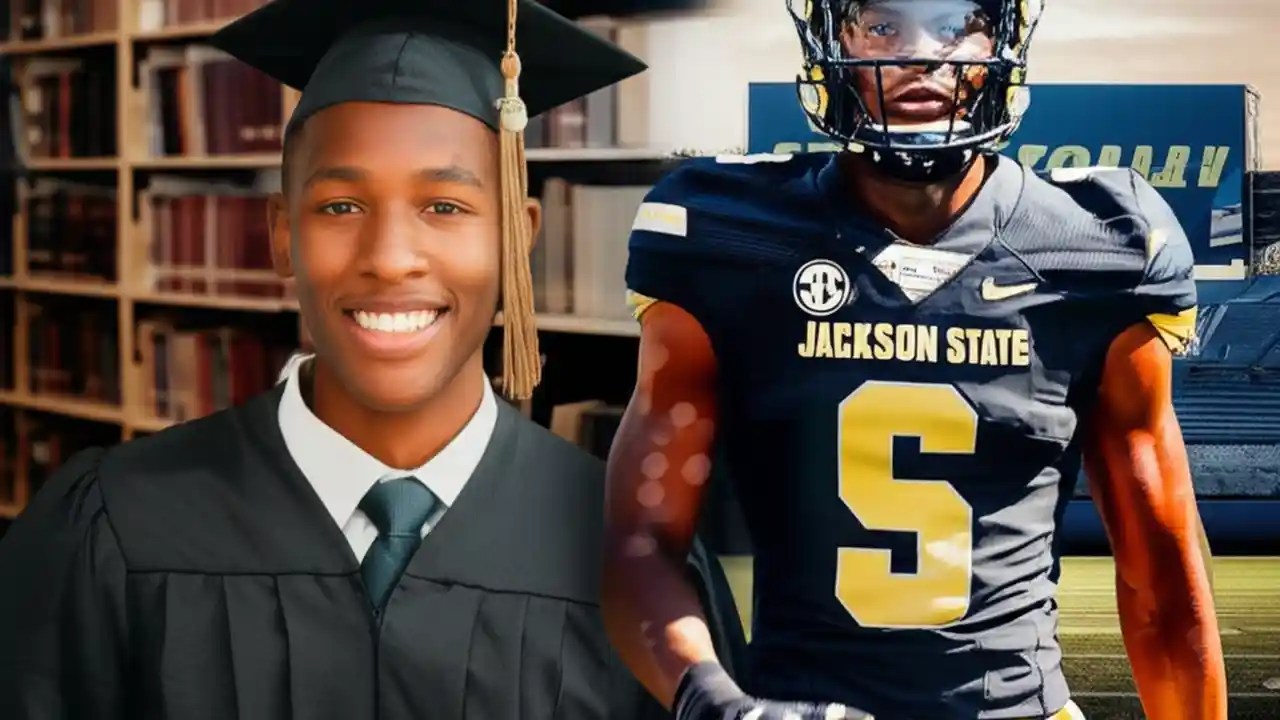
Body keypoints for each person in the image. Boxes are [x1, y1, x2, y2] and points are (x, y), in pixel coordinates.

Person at [0, 0, 746, 717]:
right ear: (282, 234)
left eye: (444, 207)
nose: (390, 258)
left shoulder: (637, 566)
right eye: (340, 207)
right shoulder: (115, 530)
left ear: (518, 235)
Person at [601, 1, 1227, 719]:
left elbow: (1161, 584)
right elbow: (642, 542)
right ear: (831, 40)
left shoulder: (1100, 245)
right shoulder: (723, 235)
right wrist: (716, 704)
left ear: (1003, 40)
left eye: (958, 23)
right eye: (882, 25)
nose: (922, 54)